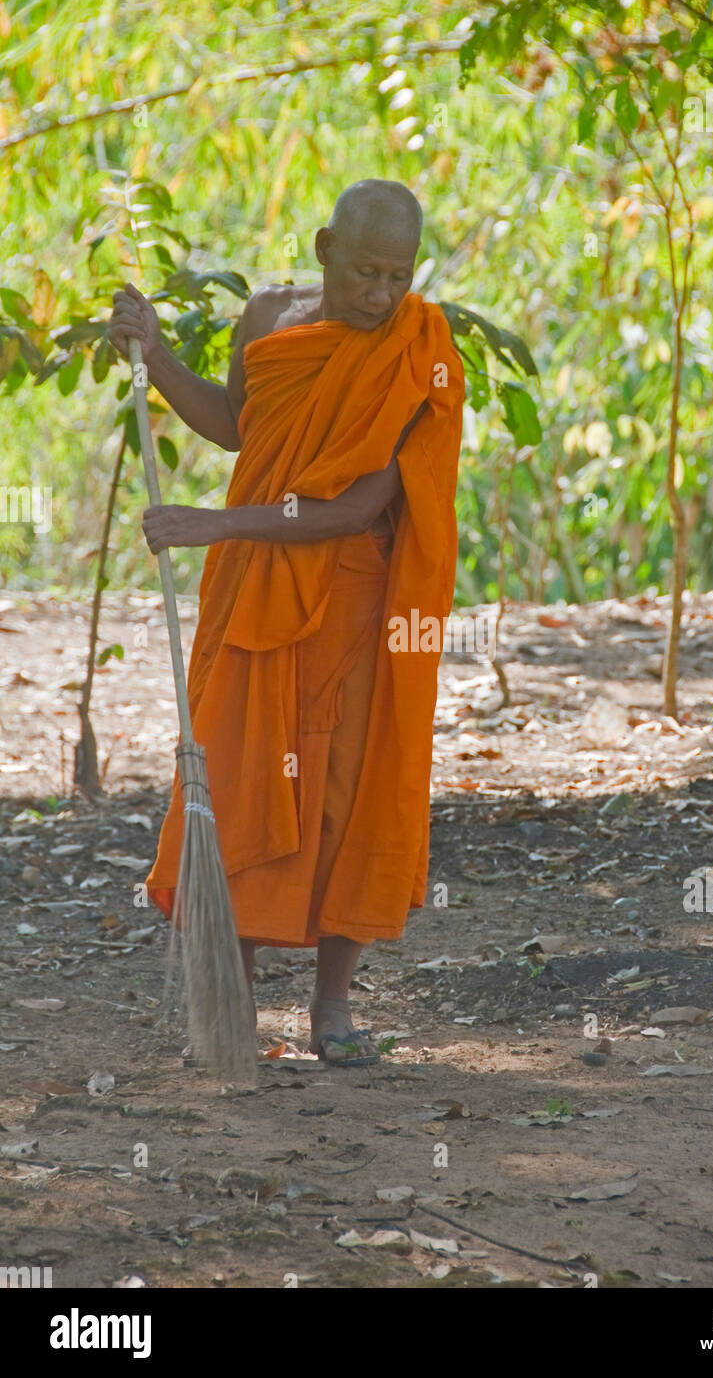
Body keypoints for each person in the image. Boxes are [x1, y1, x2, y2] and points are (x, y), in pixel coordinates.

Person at [108, 178, 464, 1065]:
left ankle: (333, 1010)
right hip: (252, 589)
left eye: (398, 275)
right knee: (237, 777)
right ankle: (231, 1007)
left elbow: (353, 506)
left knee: (341, 785)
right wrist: (153, 353)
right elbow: (236, 427)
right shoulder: (267, 317)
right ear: (322, 250)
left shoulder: (420, 350)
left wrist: (213, 523)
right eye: (365, 273)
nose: (381, 296)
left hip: (349, 599)